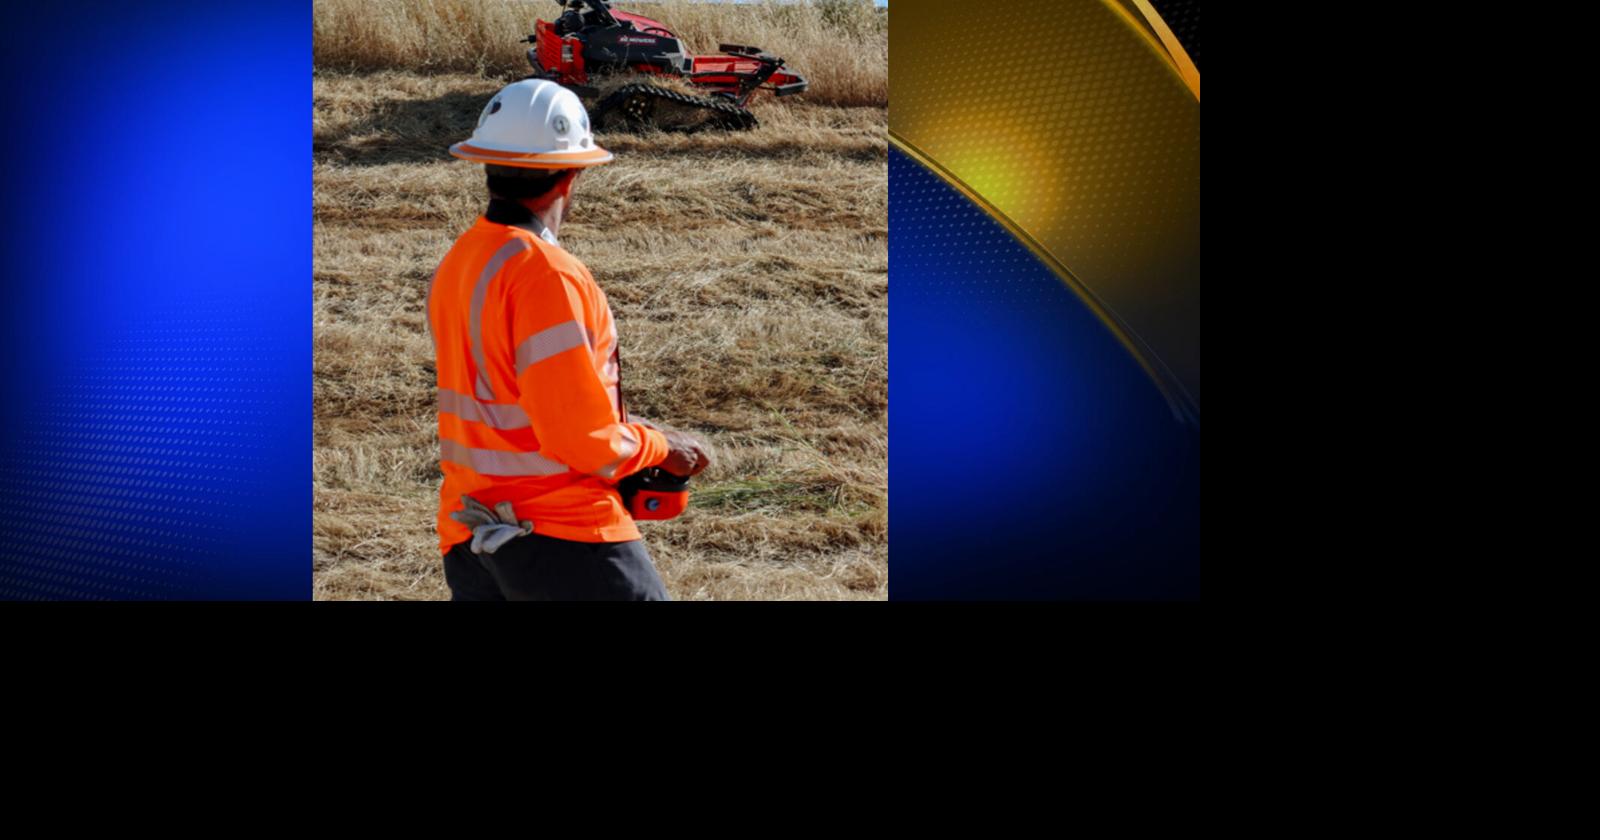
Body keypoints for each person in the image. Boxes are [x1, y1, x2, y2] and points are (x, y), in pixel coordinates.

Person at [429, 78, 710, 601]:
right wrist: (659, 444)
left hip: (472, 533)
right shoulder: (545, 273)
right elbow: (579, 439)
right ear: (572, 175)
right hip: (558, 533)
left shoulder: (463, 260)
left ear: (488, 165)